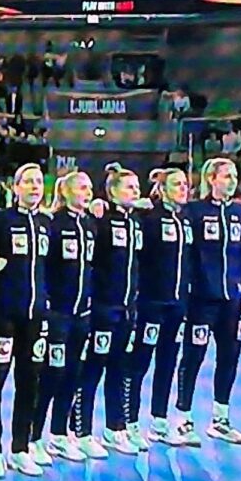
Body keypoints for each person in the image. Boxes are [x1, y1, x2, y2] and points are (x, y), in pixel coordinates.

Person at [173, 158, 241, 446]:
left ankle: (220, 420)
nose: (232, 181)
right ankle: (183, 418)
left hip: (232, 300)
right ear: (211, 179)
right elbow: (186, 255)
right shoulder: (194, 211)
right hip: (202, 300)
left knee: (229, 357)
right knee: (193, 356)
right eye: (226, 176)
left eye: (234, 176)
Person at [0, 163, 53, 477]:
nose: (35, 186)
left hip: (35, 317)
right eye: (28, 182)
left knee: (30, 381)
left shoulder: (47, 223)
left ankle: (20, 448)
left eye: (38, 182)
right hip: (3, 315)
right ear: (16, 187)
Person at [73, 165, 143, 460]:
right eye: (129, 187)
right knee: (92, 370)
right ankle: (82, 432)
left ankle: (116, 428)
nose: (135, 191)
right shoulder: (100, 222)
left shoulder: (136, 223)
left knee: (119, 369)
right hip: (103, 309)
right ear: (112, 192)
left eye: (137, 187)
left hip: (127, 311)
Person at [31, 170, 97, 465]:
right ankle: (33, 437)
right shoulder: (53, 224)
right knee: (50, 376)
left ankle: (59, 433)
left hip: (82, 315)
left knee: (73, 374)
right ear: (67, 191)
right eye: (82, 187)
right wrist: (47, 307)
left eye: (90, 188)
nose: (88, 192)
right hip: (58, 314)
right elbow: (42, 267)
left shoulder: (91, 225)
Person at [127, 168, 195, 450]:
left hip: (177, 306)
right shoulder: (150, 218)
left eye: (185, 184)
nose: (183, 188)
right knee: (139, 364)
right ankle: (129, 423)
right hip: (151, 304)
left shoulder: (187, 219)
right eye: (176, 184)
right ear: (163, 189)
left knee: (168, 363)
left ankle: (159, 421)